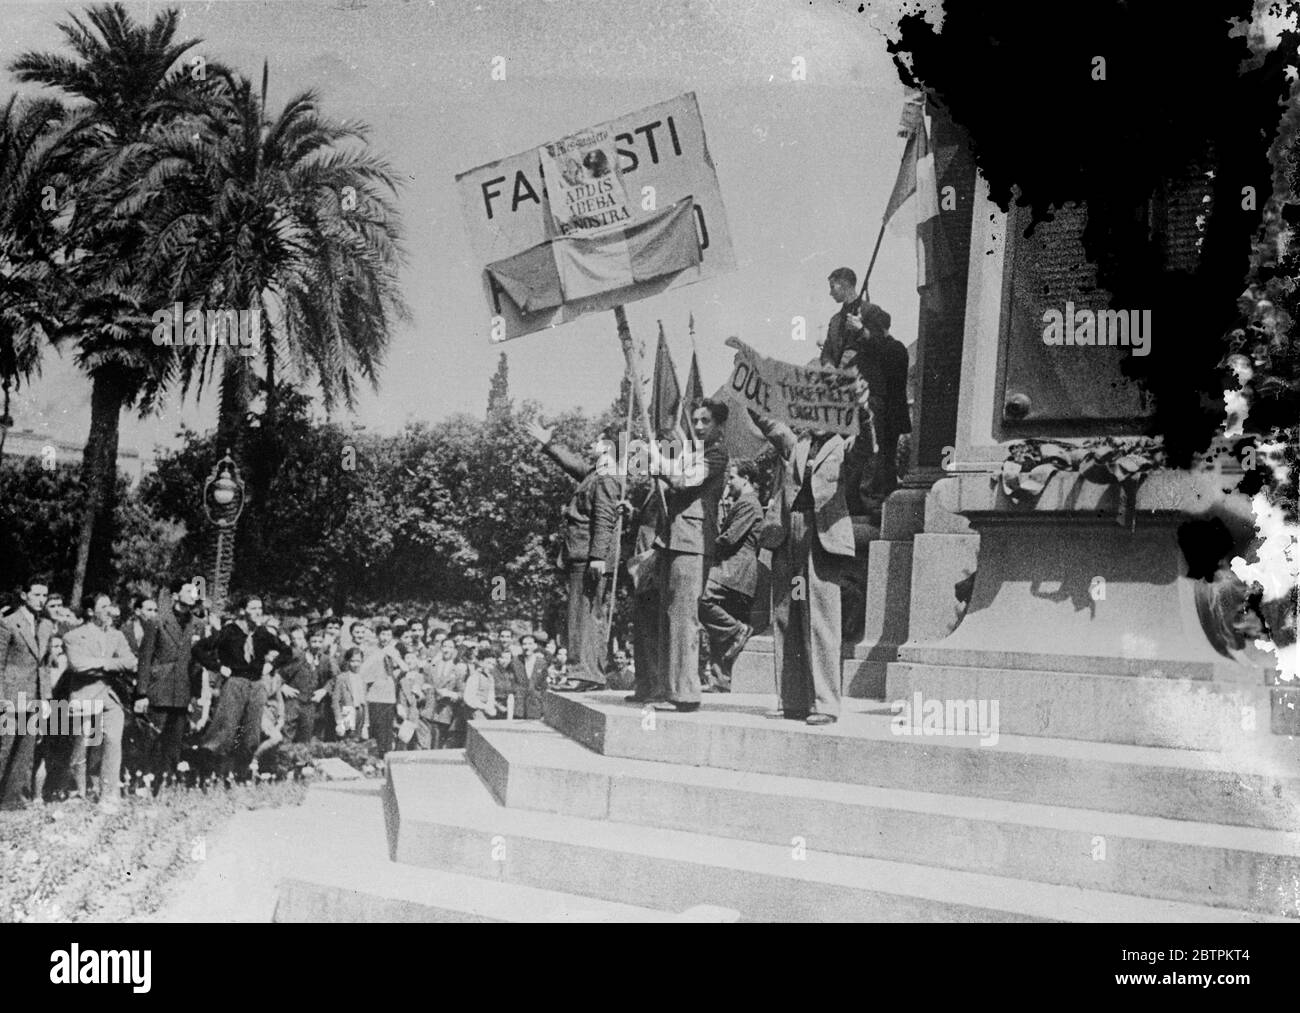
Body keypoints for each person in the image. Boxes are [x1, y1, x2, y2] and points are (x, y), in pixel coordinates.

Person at [749, 378, 872, 725]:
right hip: (790, 533)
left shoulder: (844, 446)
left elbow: (867, 443)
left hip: (824, 538)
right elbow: (769, 423)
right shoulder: (797, 443)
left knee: (822, 620)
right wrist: (749, 380)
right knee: (787, 613)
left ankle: (826, 704)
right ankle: (792, 700)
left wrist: (864, 410)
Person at [645, 399, 730, 711]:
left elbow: (685, 481)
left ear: (720, 426)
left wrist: (660, 463)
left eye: (705, 421)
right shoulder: (695, 454)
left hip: (692, 542)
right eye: (695, 420)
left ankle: (686, 693)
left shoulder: (717, 454)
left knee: (684, 619)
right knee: (670, 616)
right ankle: (671, 688)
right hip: (675, 540)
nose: (698, 426)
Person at [525, 418, 622, 692]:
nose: (591, 445)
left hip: (589, 556)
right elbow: (573, 466)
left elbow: (604, 519)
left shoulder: (605, 477)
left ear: (609, 448)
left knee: (585, 616)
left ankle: (586, 674)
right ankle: (585, 673)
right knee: (581, 614)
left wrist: (598, 557)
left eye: (598, 440)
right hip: (583, 555)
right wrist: (548, 444)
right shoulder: (596, 474)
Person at [193, 595, 283, 777]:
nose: (258, 612)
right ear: (243, 611)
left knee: (251, 735)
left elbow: (286, 652)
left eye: (260, 609)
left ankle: (240, 776)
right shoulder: (230, 631)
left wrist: (271, 665)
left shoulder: (262, 633)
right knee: (224, 731)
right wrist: (218, 667)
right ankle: (208, 775)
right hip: (235, 683)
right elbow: (198, 649)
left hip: (257, 685)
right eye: (253, 608)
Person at [63, 592, 137, 811]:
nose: (109, 611)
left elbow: (131, 662)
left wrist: (100, 665)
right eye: (103, 607)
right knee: (81, 746)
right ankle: (79, 791)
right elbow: (78, 665)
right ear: (89, 611)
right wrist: (111, 664)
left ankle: (108, 793)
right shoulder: (74, 636)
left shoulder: (117, 636)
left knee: (113, 741)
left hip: (111, 697)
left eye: (110, 606)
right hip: (85, 694)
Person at [699, 460, 764, 693]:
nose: (729, 482)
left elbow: (729, 539)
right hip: (734, 573)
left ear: (746, 479)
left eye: (733, 478)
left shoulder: (748, 503)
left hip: (734, 571)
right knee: (721, 629)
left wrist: (705, 546)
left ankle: (738, 630)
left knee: (701, 599)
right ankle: (720, 680)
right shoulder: (743, 503)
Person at [136, 581, 204, 789]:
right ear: (175, 596)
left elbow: (198, 663)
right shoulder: (157, 622)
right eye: (188, 591)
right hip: (160, 688)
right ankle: (142, 780)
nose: (193, 595)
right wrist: (142, 693)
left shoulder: (198, 625)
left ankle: (167, 782)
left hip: (183, 689)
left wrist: (195, 694)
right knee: (152, 737)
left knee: (174, 741)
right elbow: (145, 659)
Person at [0, 579, 54, 810]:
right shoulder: (8, 623)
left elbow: (44, 665)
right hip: (12, 695)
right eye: (37, 594)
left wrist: (47, 698)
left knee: (26, 750)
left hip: (35, 695)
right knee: (5, 747)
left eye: (45, 595)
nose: (42, 600)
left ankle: (13, 799)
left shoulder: (45, 626)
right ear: (24, 595)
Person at [853, 303, 912, 501]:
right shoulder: (881, 348)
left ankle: (880, 497)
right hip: (884, 413)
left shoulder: (894, 348)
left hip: (888, 414)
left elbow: (882, 362)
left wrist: (865, 335)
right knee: (882, 457)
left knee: (883, 458)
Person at [278, 625, 330, 744]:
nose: (317, 645)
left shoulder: (325, 660)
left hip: (310, 704)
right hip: (293, 702)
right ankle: (283, 760)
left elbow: (334, 678)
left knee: (306, 735)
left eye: (320, 641)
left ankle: (302, 761)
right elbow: (278, 674)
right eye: (314, 641)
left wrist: (324, 690)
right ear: (307, 642)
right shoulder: (298, 657)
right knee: (287, 733)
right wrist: (283, 687)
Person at [820, 266, 867, 371]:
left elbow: (883, 345)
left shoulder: (870, 311)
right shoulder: (835, 320)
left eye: (832, 287)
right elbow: (827, 352)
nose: (830, 293)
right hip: (839, 379)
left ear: (845, 285)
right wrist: (828, 364)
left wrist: (861, 330)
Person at [332, 647, 367, 740]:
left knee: (358, 738)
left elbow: (365, 701)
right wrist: (339, 721)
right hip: (348, 711)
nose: (355, 664)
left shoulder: (362, 678)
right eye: (352, 661)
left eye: (358, 661)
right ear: (347, 661)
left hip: (360, 711)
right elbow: (335, 700)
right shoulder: (342, 677)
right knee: (347, 737)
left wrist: (367, 723)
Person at [462, 647, 498, 723]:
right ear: (481, 662)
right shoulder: (475, 677)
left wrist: (491, 708)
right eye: (488, 663)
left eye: (493, 664)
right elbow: (468, 698)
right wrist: (484, 707)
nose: (491, 667)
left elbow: (491, 696)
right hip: (473, 711)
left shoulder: (490, 678)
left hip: (485, 711)